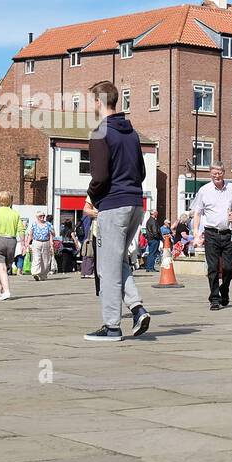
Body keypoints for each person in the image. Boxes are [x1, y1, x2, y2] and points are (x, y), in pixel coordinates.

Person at [82, 80, 151, 341]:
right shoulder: (131, 133)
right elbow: (143, 172)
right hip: (136, 203)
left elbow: (99, 176)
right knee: (118, 262)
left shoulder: (100, 132)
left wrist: (93, 197)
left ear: (99, 102)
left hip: (113, 204)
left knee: (107, 269)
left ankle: (111, 326)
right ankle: (137, 308)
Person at [191, 164, 232, 311]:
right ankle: (214, 298)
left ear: (224, 173)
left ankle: (224, 288)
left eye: (219, 172)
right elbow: (197, 213)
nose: (217, 176)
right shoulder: (204, 190)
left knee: (229, 267)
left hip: (229, 233)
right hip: (211, 233)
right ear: (210, 174)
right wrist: (196, 232)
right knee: (212, 267)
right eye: (214, 173)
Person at [28, 210, 56, 281]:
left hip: (46, 242)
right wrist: (27, 243)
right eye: (41, 216)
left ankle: (43, 275)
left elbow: (53, 234)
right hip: (36, 242)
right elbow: (30, 234)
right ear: (37, 217)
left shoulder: (48, 224)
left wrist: (51, 243)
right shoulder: (34, 224)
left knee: (45, 259)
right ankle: (35, 272)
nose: (42, 217)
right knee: (36, 258)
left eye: (43, 216)